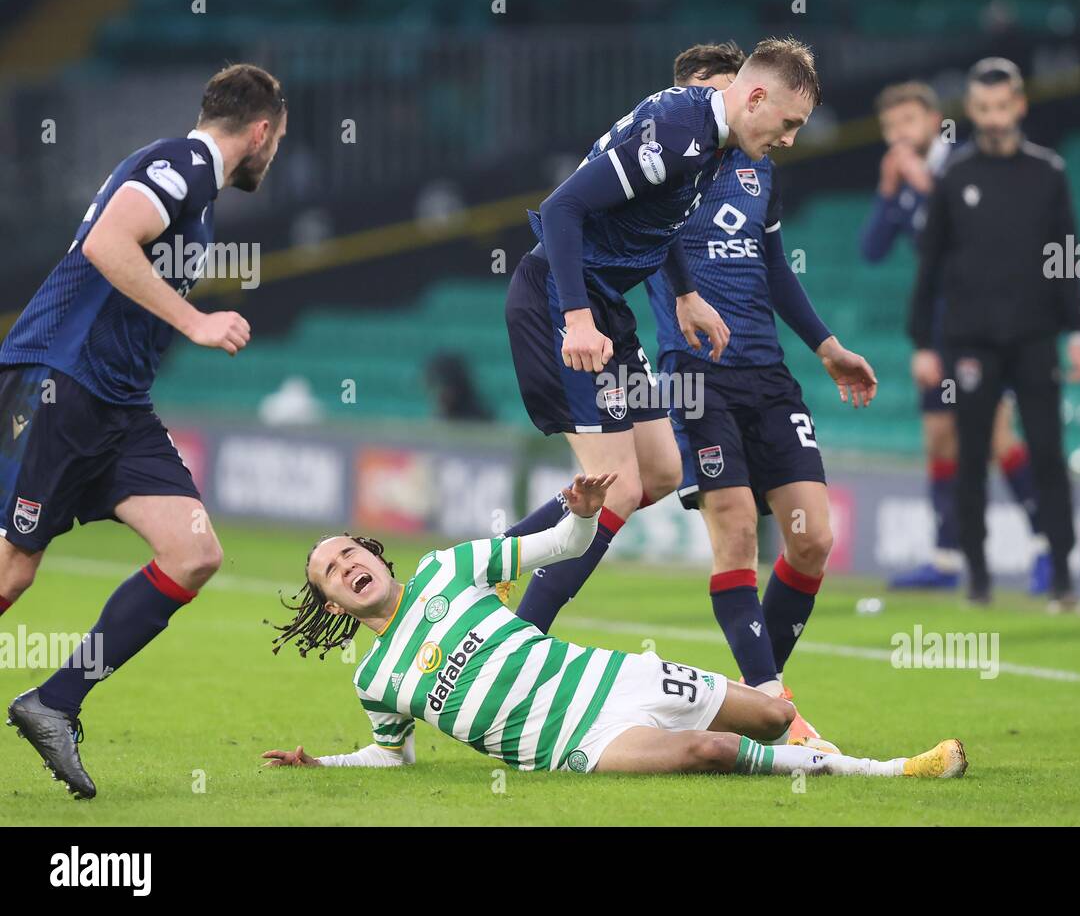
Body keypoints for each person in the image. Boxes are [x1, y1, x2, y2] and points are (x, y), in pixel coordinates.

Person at [263, 473, 967, 780]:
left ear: (375, 557)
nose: (347, 563)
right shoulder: (375, 680)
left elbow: (563, 548)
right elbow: (392, 756)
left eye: (350, 551)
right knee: (709, 752)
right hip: (579, 741)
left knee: (772, 713)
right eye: (331, 570)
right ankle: (890, 772)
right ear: (332, 604)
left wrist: (577, 512)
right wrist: (323, 764)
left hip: (608, 675)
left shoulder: (451, 569)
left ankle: (823, 759)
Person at [3, 64, 287, 799]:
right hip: (61, 382)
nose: (274, 153)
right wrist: (194, 320)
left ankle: (54, 703)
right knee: (12, 571)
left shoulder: (198, 192)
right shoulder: (182, 163)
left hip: (118, 405)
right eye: (277, 140)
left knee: (192, 552)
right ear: (262, 130)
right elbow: (107, 241)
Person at [501, 38, 821, 633]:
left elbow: (660, 216)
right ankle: (513, 638)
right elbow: (562, 207)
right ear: (754, 97)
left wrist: (684, 293)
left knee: (663, 471)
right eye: (789, 122)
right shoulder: (680, 134)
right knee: (618, 489)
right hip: (558, 298)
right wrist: (576, 317)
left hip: (607, 307)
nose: (790, 139)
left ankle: (496, 559)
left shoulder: (712, 143)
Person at [644, 42, 876, 751]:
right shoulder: (660, 165)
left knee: (813, 539)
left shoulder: (757, 171)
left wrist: (827, 345)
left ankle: (750, 695)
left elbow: (772, 264)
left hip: (768, 373)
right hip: (695, 372)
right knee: (737, 527)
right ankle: (777, 708)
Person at [908, 58, 1080, 609]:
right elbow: (930, 267)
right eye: (982, 108)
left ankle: (1061, 577)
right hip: (971, 342)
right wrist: (921, 342)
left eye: (1001, 106)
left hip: (1035, 338)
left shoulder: (1048, 172)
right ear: (972, 110)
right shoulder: (955, 177)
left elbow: (1067, 257)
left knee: (1049, 454)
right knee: (970, 462)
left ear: (1019, 106)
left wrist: (1077, 331)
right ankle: (979, 579)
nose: (992, 117)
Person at [863, 80, 1050, 594]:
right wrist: (887, 191)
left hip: (985, 325)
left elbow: (979, 237)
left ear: (932, 121)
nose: (898, 134)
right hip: (938, 329)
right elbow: (872, 250)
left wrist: (926, 187)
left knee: (995, 435)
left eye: (908, 122)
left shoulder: (965, 166)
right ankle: (945, 559)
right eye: (890, 126)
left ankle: (1046, 545)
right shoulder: (901, 180)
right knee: (939, 438)